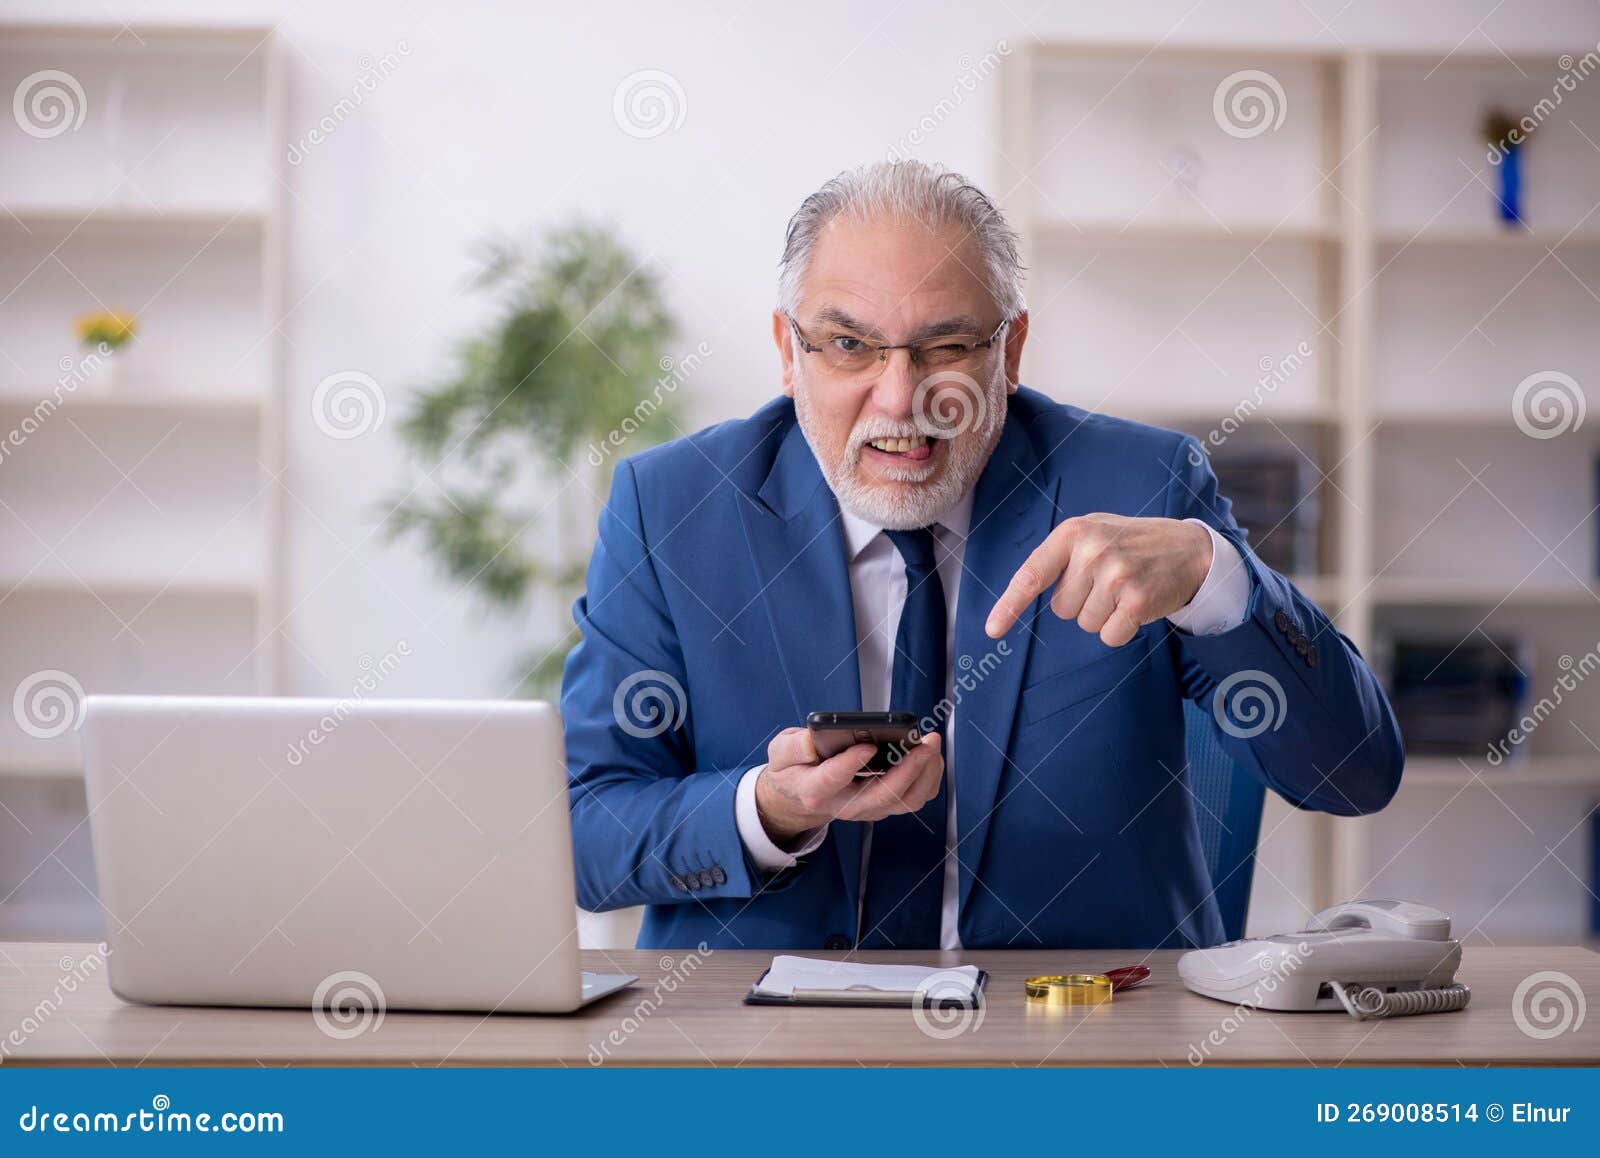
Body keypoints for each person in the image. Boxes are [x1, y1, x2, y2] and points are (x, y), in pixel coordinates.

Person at [562, 160, 1402, 950]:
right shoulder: (672, 511)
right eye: (850, 345)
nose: (902, 398)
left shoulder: (1140, 488)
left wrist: (1215, 580)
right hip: (763, 1036)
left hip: (1079, 1029)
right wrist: (769, 810)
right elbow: (582, 834)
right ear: (789, 353)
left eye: (949, 346)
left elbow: (1354, 776)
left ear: (1010, 351)